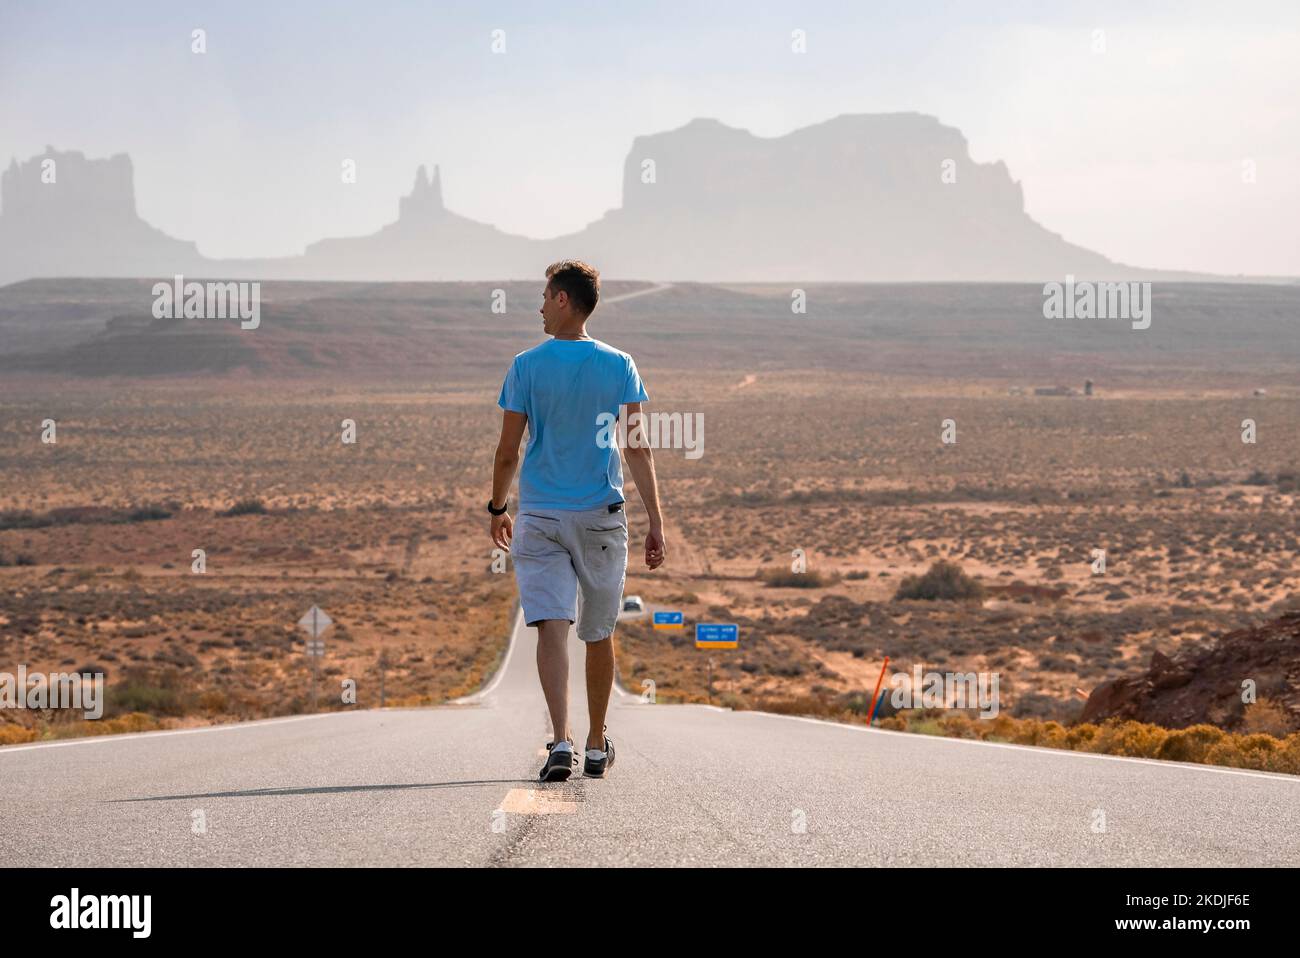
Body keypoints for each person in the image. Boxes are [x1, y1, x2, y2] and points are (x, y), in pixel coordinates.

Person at [489, 260, 666, 782]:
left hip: (540, 515)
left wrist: (498, 508)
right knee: (598, 630)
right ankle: (594, 744)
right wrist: (656, 519)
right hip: (601, 518)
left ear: (564, 299)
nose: (540, 306)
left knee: (551, 625)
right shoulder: (620, 364)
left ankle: (561, 741)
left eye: (545, 296)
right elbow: (637, 448)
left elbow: (506, 453)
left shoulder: (525, 365)